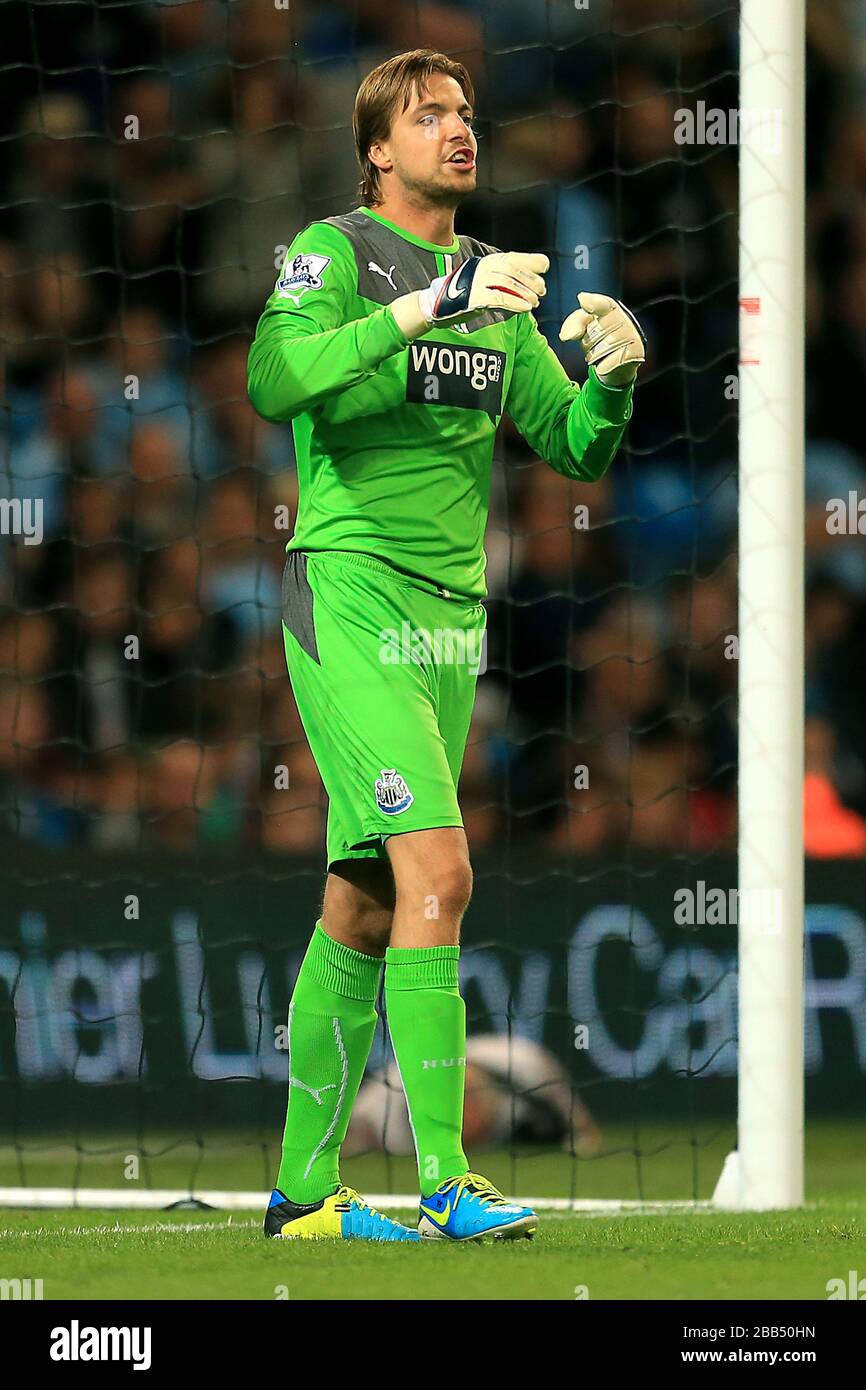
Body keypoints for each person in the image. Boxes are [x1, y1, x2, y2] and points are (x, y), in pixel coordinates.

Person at [247, 47, 644, 1244]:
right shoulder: (333, 251)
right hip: (353, 593)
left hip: (446, 626)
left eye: (465, 113)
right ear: (378, 147)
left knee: (366, 900)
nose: (457, 130)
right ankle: (443, 1179)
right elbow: (274, 376)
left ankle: (303, 1195)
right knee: (441, 875)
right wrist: (417, 308)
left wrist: (613, 380)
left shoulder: (492, 276)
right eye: (428, 115)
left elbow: (566, 442)